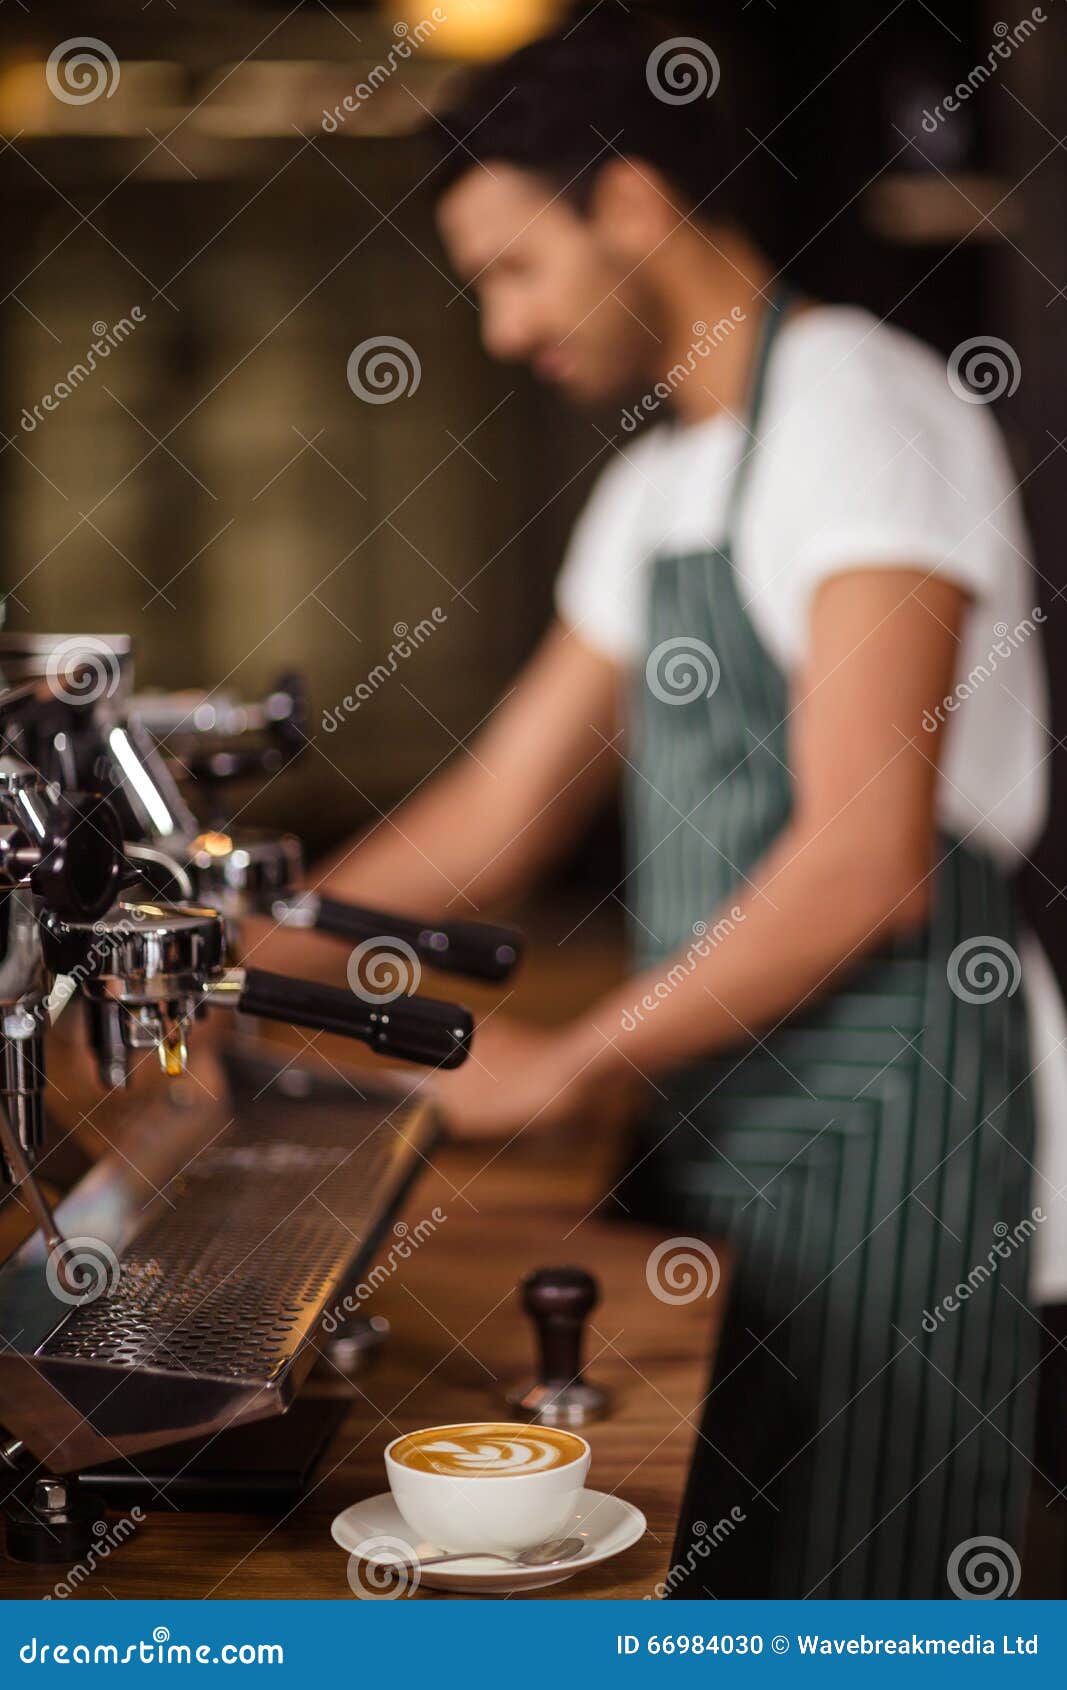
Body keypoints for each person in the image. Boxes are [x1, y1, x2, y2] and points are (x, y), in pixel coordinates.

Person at [256, 14, 1064, 1596]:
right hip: (743, 1125)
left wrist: (563, 1062)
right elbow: (500, 807)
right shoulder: (659, 488)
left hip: (905, 1119)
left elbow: (865, 862)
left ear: (628, 201)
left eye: (515, 267)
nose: (504, 329)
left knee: (869, 1600)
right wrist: (234, 954)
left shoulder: (858, 409)